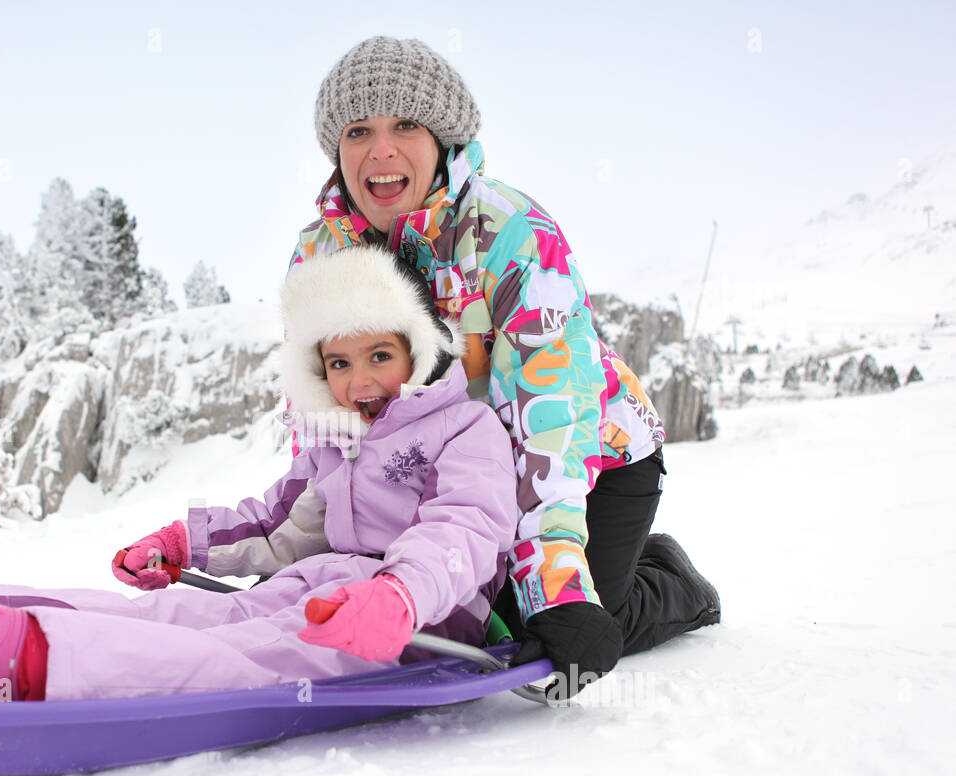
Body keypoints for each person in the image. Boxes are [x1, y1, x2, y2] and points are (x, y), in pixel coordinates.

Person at [0, 246, 518, 703]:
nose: (361, 380)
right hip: (327, 583)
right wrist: (185, 543)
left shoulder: (464, 428)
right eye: (340, 363)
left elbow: (464, 527)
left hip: (423, 619)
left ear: (416, 349)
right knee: (189, 613)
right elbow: (274, 523)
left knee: (255, 651)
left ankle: (22, 660)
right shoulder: (334, 439)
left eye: (380, 354)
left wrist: (401, 595)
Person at [294, 36, 720, 697]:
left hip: (589, 457)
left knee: (531, 649)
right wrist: (305, 551)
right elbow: (322, 416)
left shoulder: (510, 233)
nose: (381, 150)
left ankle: (670, 584)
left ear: (443, 138)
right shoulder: (320, 257)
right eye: (359, 130)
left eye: (404, 123)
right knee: (436, 620)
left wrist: (555, 587)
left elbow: (547, 419)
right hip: (449, 482)